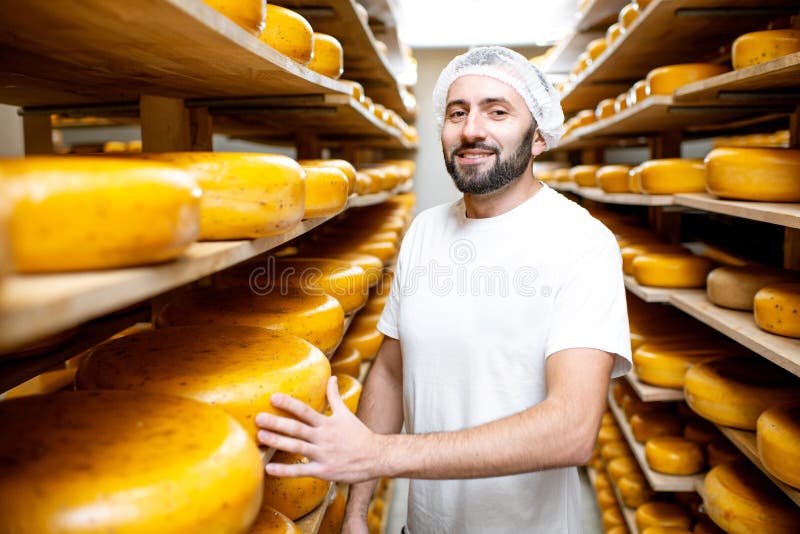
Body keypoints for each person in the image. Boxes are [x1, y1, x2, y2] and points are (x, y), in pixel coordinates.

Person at [255, 46, 632, 533]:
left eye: (497, 111)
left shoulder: (582, 243)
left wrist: (381, 453)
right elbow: (391, 373)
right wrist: (356, 510)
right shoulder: (425, 231)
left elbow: (572, 430)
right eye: (458, 113)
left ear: (539, 136)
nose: (471, 129)